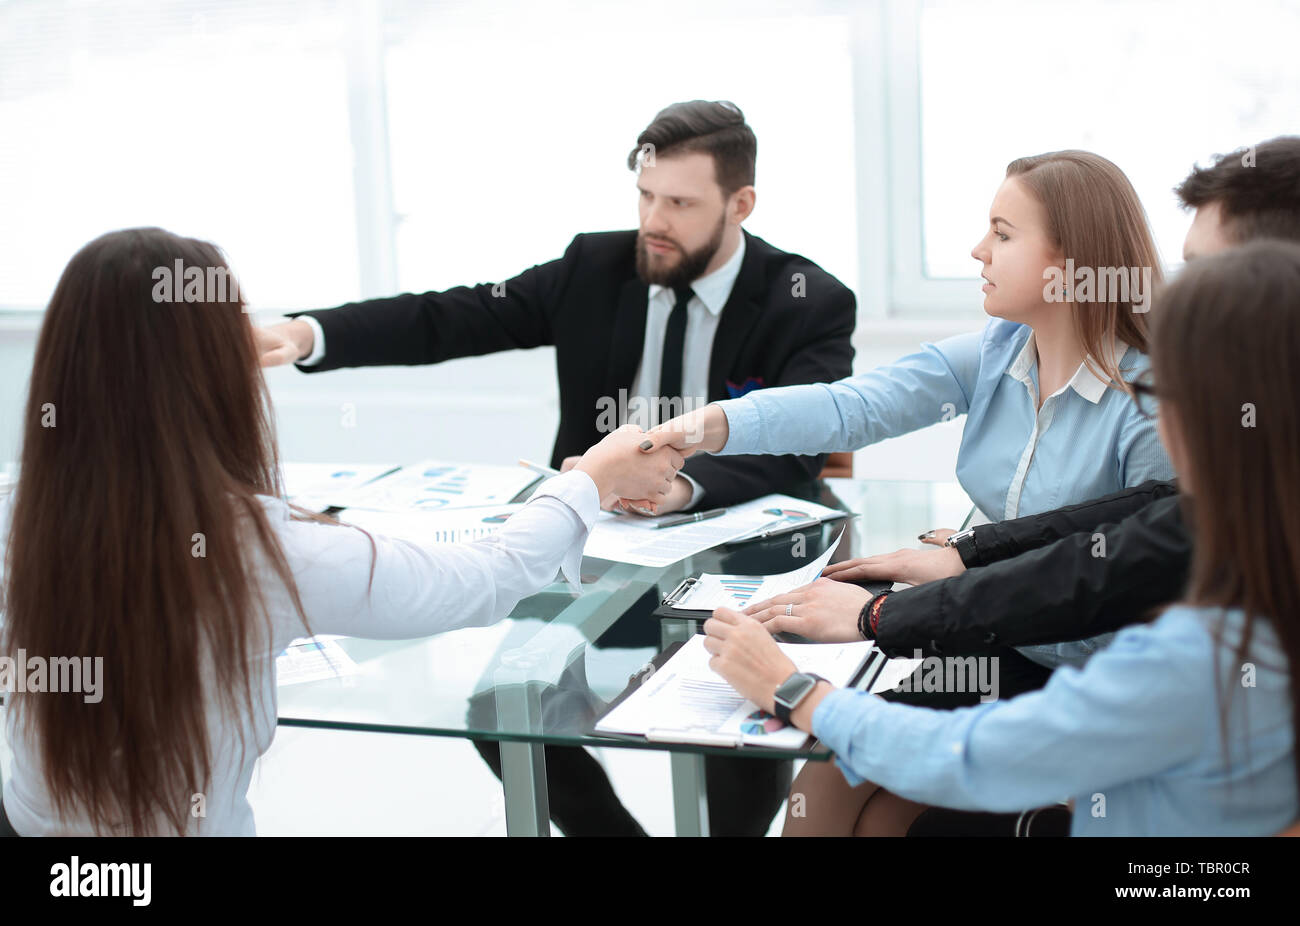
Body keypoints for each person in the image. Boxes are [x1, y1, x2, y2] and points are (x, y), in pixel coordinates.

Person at [256, 99, 857, 836]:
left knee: (730, 731)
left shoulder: (809, 300)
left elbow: (799, 445)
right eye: (644, 196)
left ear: (741, 204)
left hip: (745, 553)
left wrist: (682, 488)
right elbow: (457, 314)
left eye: (679, 203)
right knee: (496, 713)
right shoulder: (594, 266)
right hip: (597, 552)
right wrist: (309, 332)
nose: (652, 220)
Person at [0, 228, 681, 836]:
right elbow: (488, 576)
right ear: (209, 374)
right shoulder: (257, 551)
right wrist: (592, 479)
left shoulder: (17, 512)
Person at [713, 135, 1300, 836]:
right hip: (1020, 647)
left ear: (1070, 263)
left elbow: (1108, 571)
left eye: (1002, 233)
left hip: (1088, 673)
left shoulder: (1152, 405)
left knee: (875, 800)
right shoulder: (1002, 352)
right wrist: (697, 428)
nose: (977, 252)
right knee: (829, 791)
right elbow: (855, 407)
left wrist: (810, 672)